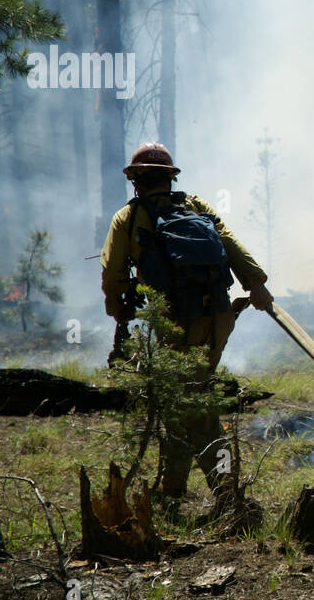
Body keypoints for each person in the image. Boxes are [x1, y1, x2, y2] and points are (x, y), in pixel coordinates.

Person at [100, 142, 274, 497]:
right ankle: (173, 489)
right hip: (220, 317)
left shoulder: (129, 218)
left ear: (136, 180)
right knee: (184, 399)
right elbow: (229, 242)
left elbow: (112, 274)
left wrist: (117, 310)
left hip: (176, 324)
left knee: (195, 408)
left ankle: (228, 492)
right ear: (169, 178)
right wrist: (256, 284)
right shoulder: (196, 206)